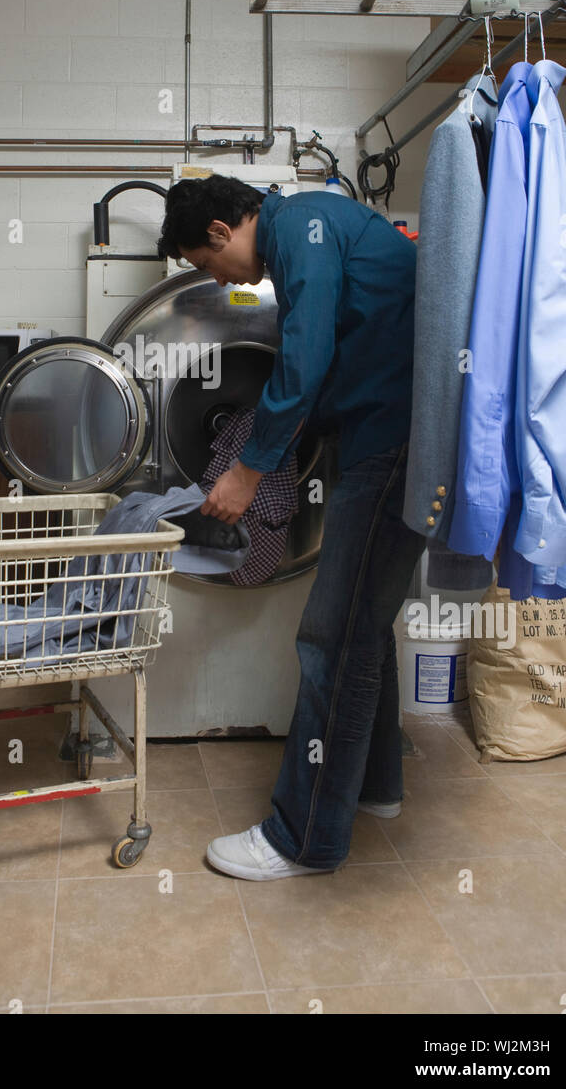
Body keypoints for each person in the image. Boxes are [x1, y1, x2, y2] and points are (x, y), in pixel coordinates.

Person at [156, 174, 426, 880]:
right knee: (362, 624)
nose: (217, 279)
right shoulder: (313, 228)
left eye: (206, 266)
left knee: (332, 637)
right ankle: (375, 787)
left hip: (389, 441)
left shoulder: (301, 226)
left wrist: (248, 469)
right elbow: (332, 354)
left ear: (221, 233)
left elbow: (303, 360)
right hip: (393, 435)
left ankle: (302, 838)